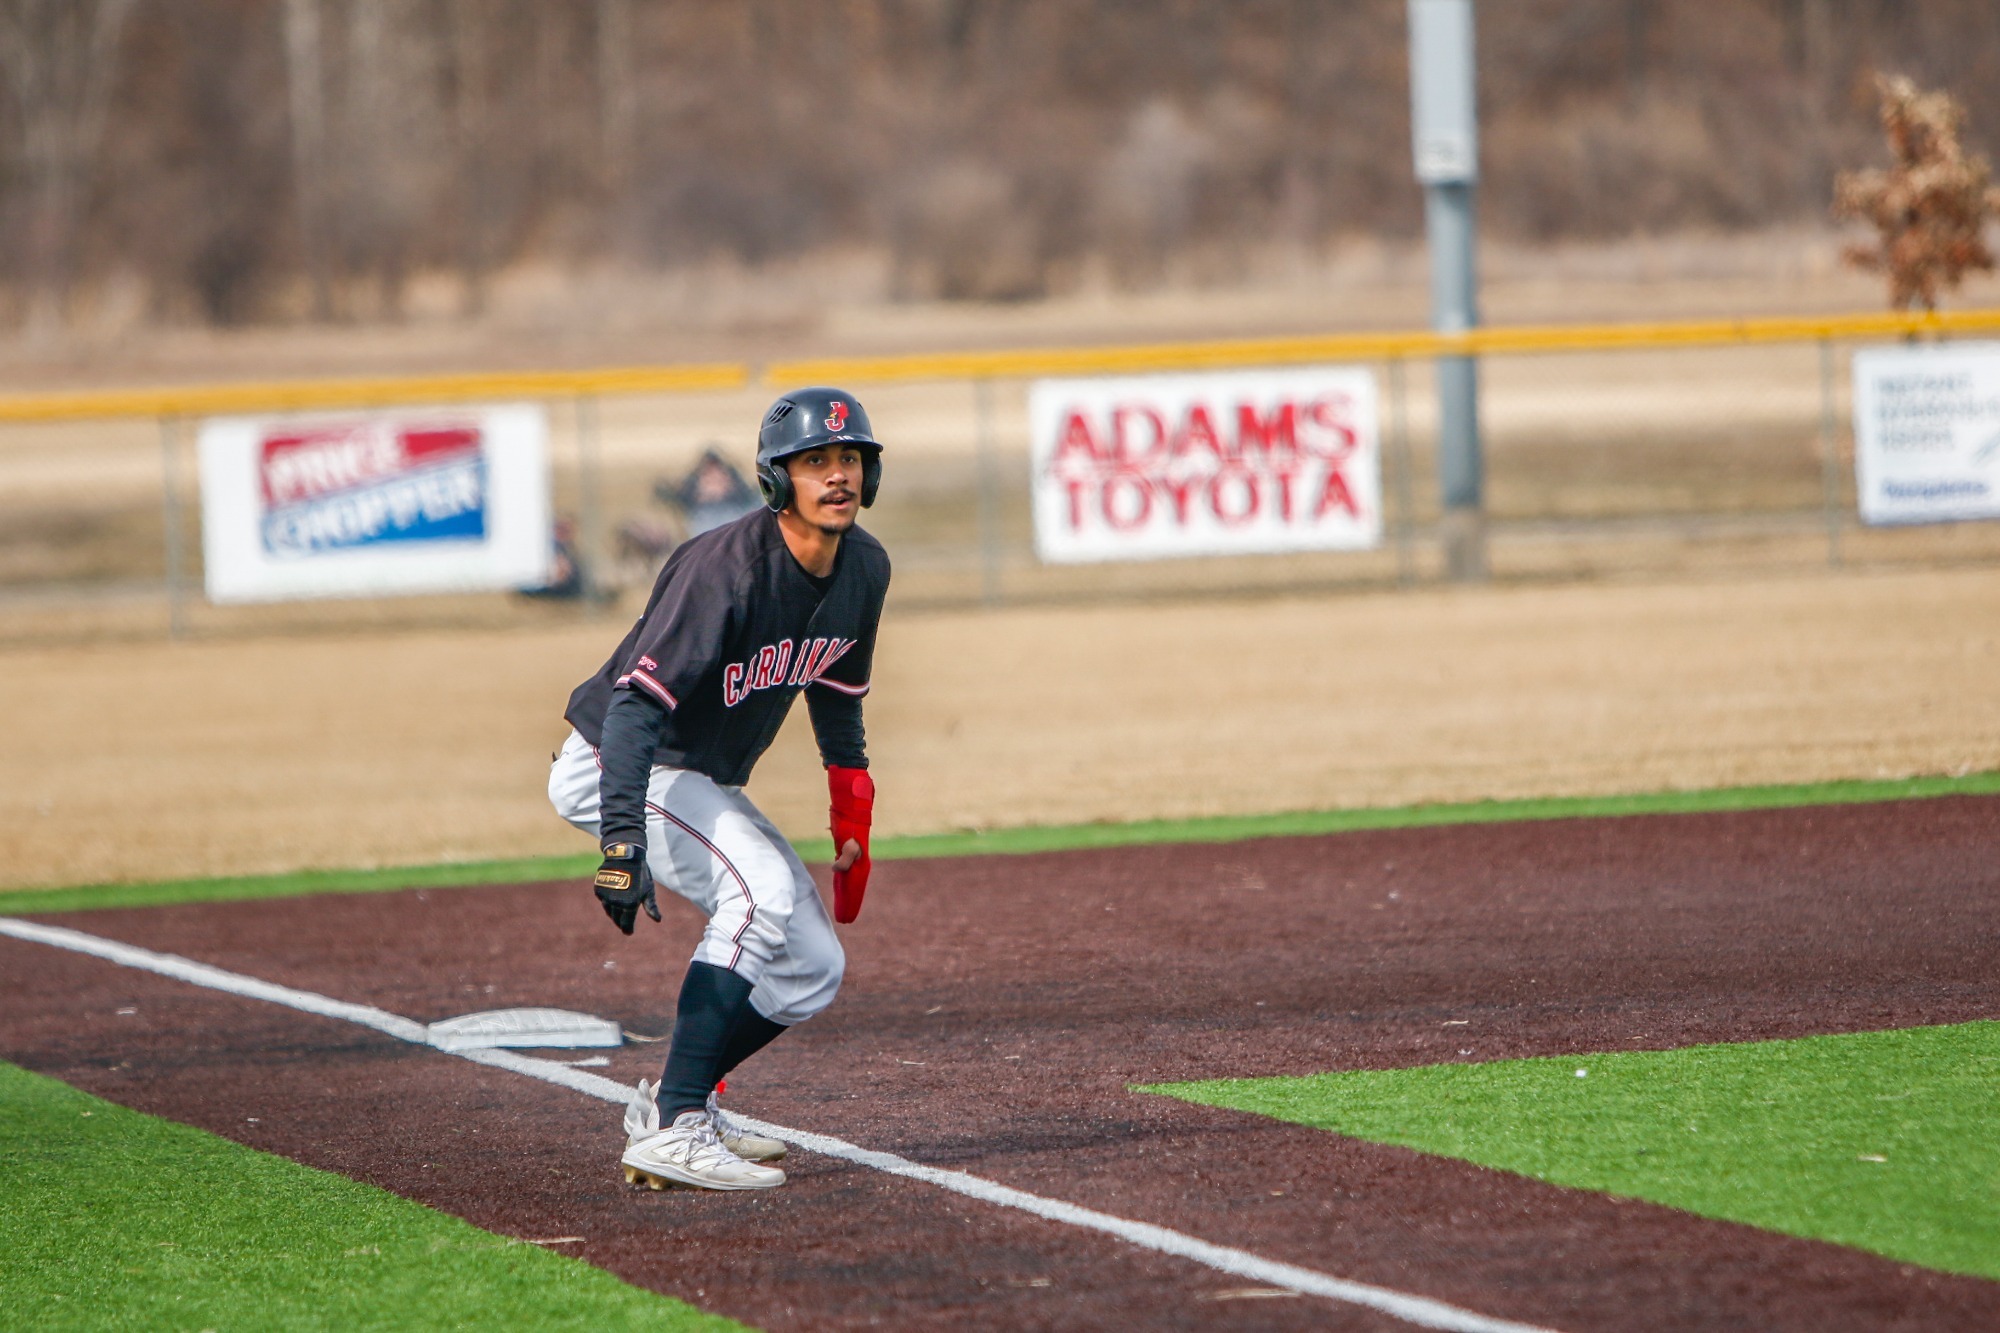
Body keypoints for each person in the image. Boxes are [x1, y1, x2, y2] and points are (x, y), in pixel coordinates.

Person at [546, 387, 890, 1192]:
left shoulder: (863, 567)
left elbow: (838, 690)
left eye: (849, 459)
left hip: (689, 773)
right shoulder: (725, 569)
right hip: (618, 760)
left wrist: (850, 809)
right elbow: (633, 707)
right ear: (777, 480)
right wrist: (622, 841)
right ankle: (676, 1124)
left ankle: (677, 1099)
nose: (836, 475)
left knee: (810, 964)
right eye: (815, 462)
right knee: (762, 891)